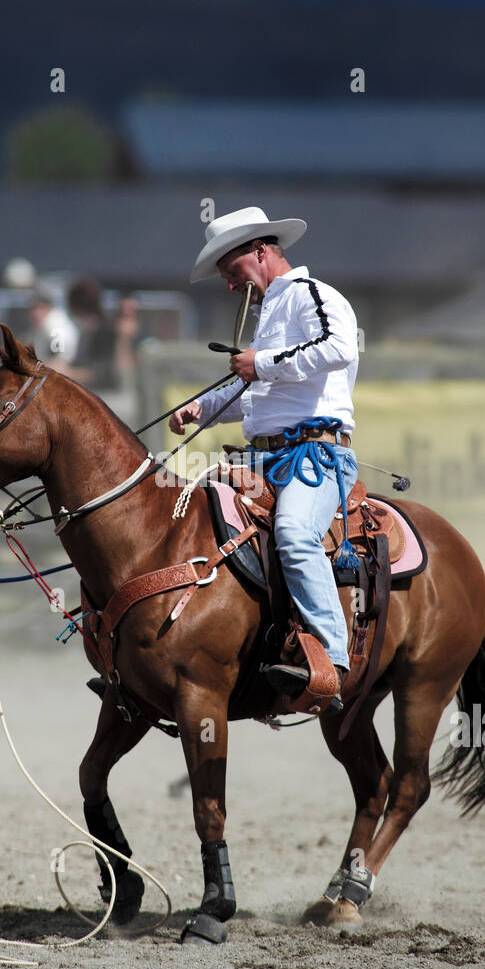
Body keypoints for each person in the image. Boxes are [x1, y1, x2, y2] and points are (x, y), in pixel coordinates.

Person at [171, 206, 360, 708]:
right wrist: (200, 407)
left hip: (315, 454)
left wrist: (263, 362)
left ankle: (331, 662)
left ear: (261, 251)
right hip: (265, 458)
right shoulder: (270, 314)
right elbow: (252, 391)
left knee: (295, 536)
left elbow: (340, 347)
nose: (231, 286)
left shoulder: (311, 294)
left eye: (233, 273)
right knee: (183, 513)